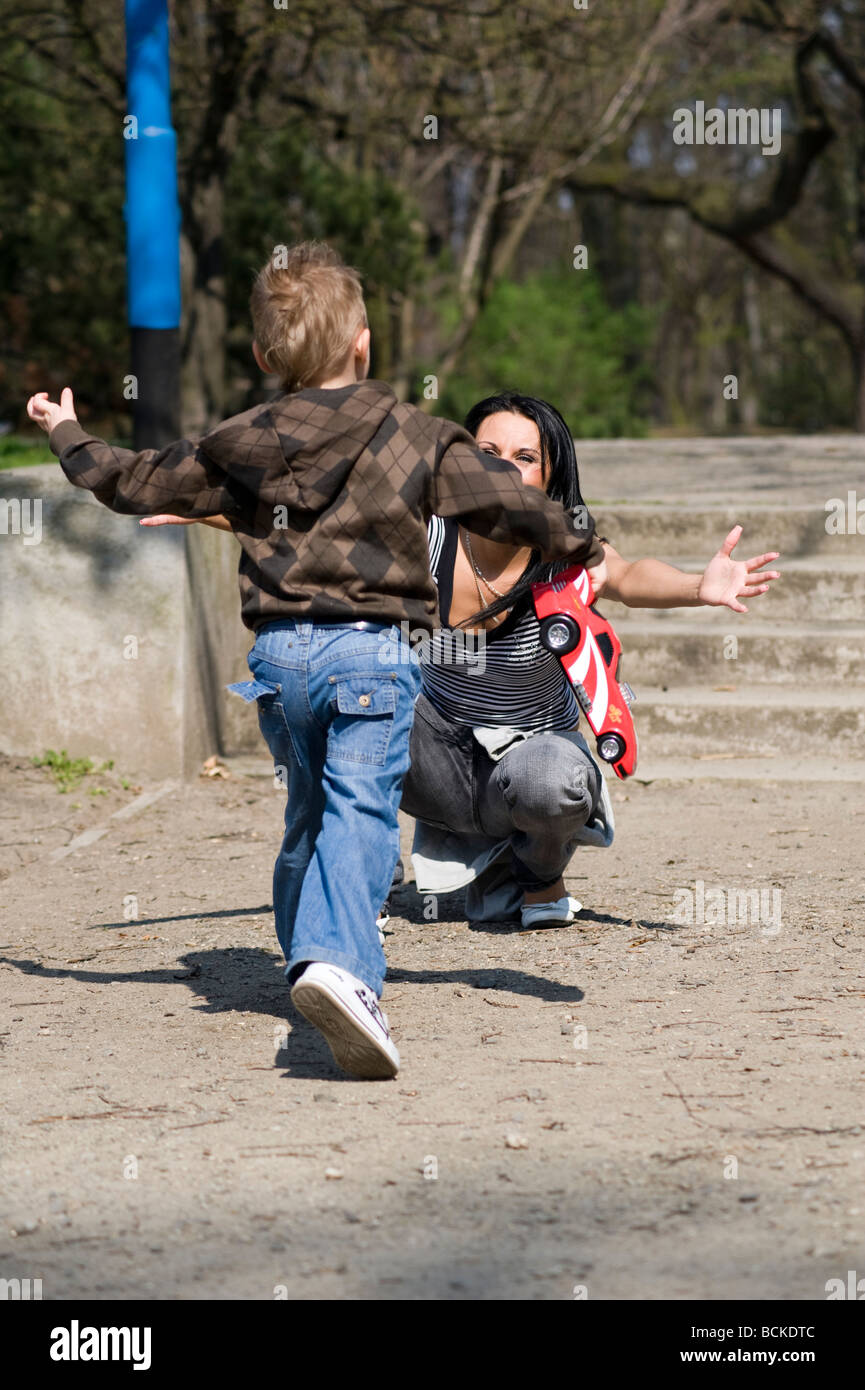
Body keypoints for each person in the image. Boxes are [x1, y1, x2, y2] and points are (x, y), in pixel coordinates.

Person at [25, 242, 607, 1081]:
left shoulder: (241, 439)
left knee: (307, 813)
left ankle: (307, 959)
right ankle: (343, 969)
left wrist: (68, 432)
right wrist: (579, 540)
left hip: (278, 664)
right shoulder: (417, 436)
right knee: (359, 816)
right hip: (368, 656)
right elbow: (512, 505)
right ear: (363, 342)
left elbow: (135, 480)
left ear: (265, 356)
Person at [398, 392, 781, 928]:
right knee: (319, 683)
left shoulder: (564, 552)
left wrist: (700, 586)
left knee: (551, 779)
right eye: (486, 449)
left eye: (525, 457)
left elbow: (625, 576)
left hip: (529, 763)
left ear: (550, 479)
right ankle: (358, 861)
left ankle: (536, 874)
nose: (502, 467)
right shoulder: (424, 534)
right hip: (435, 759)